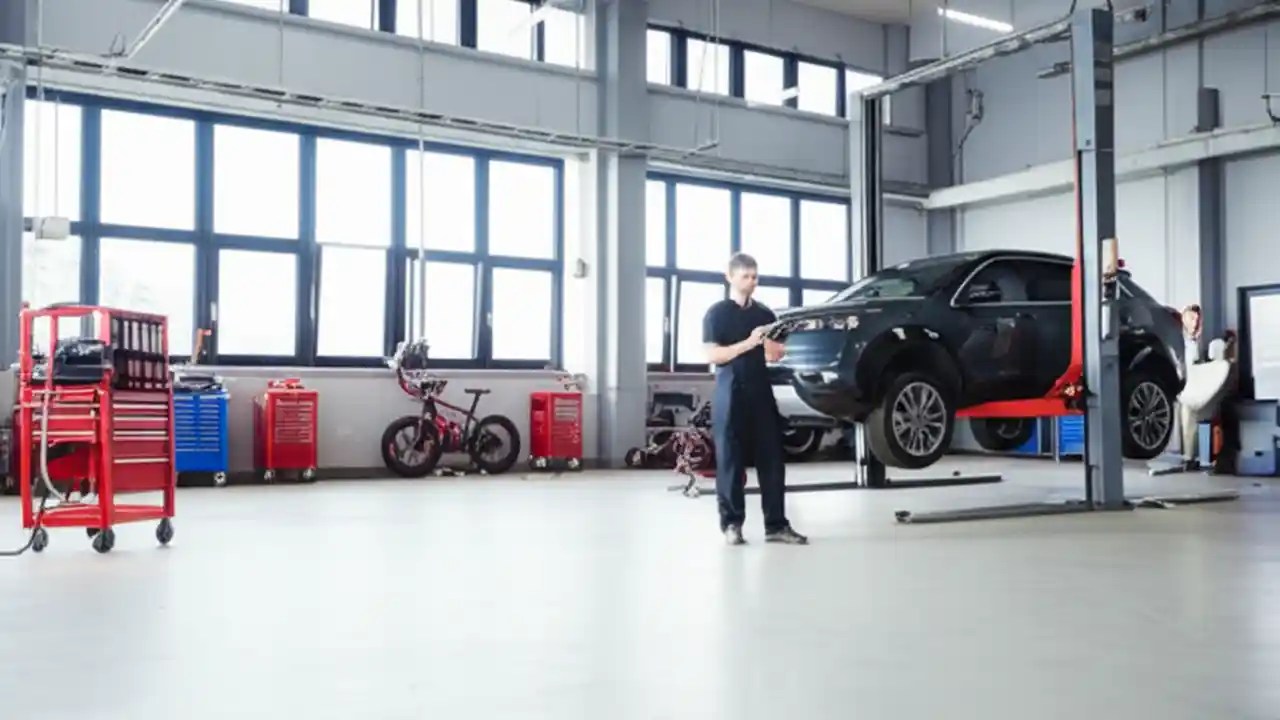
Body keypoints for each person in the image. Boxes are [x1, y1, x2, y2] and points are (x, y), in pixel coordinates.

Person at [702, 253, 808, 546]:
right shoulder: (716, 314)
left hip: (760, 391)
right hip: (729, 391)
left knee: (772, 458)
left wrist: (774, 348)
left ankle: (776, 525)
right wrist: (749, 342)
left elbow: (773, 354)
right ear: (730, 277)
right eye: (746, 276)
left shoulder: (765, 315)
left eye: (755, 276)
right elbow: (713, 354)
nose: (752, 281)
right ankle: (732, 524)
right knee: (730, 461)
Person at [1179, 304, 1204, 469]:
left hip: (1193, 388)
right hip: (1182, 387)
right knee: (1187, 421)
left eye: (1197, 319)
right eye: (1191, 318)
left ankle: (1190, 457)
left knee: (1191, 422)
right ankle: (1188, 457)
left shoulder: (1195, 342)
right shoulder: (1180, 341)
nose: (1195, 323)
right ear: (1183, 319)